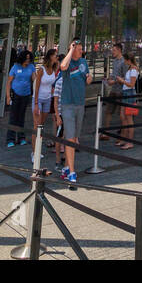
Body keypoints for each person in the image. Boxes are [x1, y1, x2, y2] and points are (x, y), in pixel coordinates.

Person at [58, 38, 91, 184]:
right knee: (70, 137)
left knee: (74, 138)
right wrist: (70, 49)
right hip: (68, 104)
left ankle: (66, 167)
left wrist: (89, 78)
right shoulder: (68, 61)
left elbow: (86, 78)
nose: (81, 50)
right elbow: (63, 66)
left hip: (80, 103)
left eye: (81, 48)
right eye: (78, 48)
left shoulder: (83, 62)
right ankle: (72, 171)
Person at [33, 49, 61, 167]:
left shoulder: (53, 69)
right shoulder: (41, 70)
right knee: (36, 125)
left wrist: (58, 62)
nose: (56, 57)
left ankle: (38, 150)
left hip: (47, 99)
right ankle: (34, 152)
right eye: (55, 55)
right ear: (50, 57)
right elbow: (37, 86)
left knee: (42, 125)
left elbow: (59, 68)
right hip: (39, 98)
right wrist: (35, 103)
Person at [5, 49, 35, 148]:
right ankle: (10, 139)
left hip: (26, 94)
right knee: (13, 117)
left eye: (29, 59)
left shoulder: (31, 67)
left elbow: (34, 80)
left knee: (21, 117)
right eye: (26, 59)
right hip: (16, 94)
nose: (28, 60)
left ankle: (21, 137)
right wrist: (8, 96)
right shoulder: (15, 67)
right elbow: (9, 82)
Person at [117, 53, 139, 148]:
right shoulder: (130, 69)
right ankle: (125, 139)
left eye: (125, 60)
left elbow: (132, 84)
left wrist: (122, 81)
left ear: (128, 60)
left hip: (129, 93)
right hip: (126, 92)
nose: (124, 61)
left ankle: (130, 141)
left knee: (129, 118)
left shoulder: (133, 70)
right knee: (124, 117)